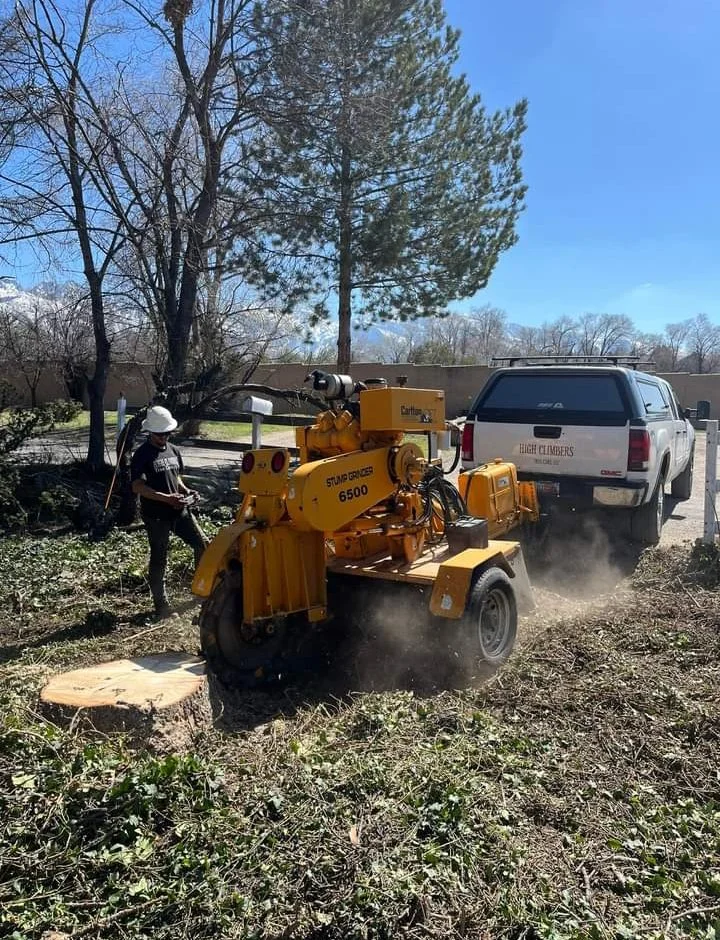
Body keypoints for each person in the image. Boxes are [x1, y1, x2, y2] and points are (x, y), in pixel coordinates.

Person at [130, 405, 207, 617]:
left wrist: (186, 491)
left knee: (202, 545)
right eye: (160, 434)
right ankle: (161, 606)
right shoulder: (142, 455)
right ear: (150, 432)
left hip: (179, 511)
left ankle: (201, 590)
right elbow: (137, 486)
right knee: (159, 558)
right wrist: (165, 498)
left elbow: (176, 477)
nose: (164, 437)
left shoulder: (173, 450)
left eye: (167, 433)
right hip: (156, 516)